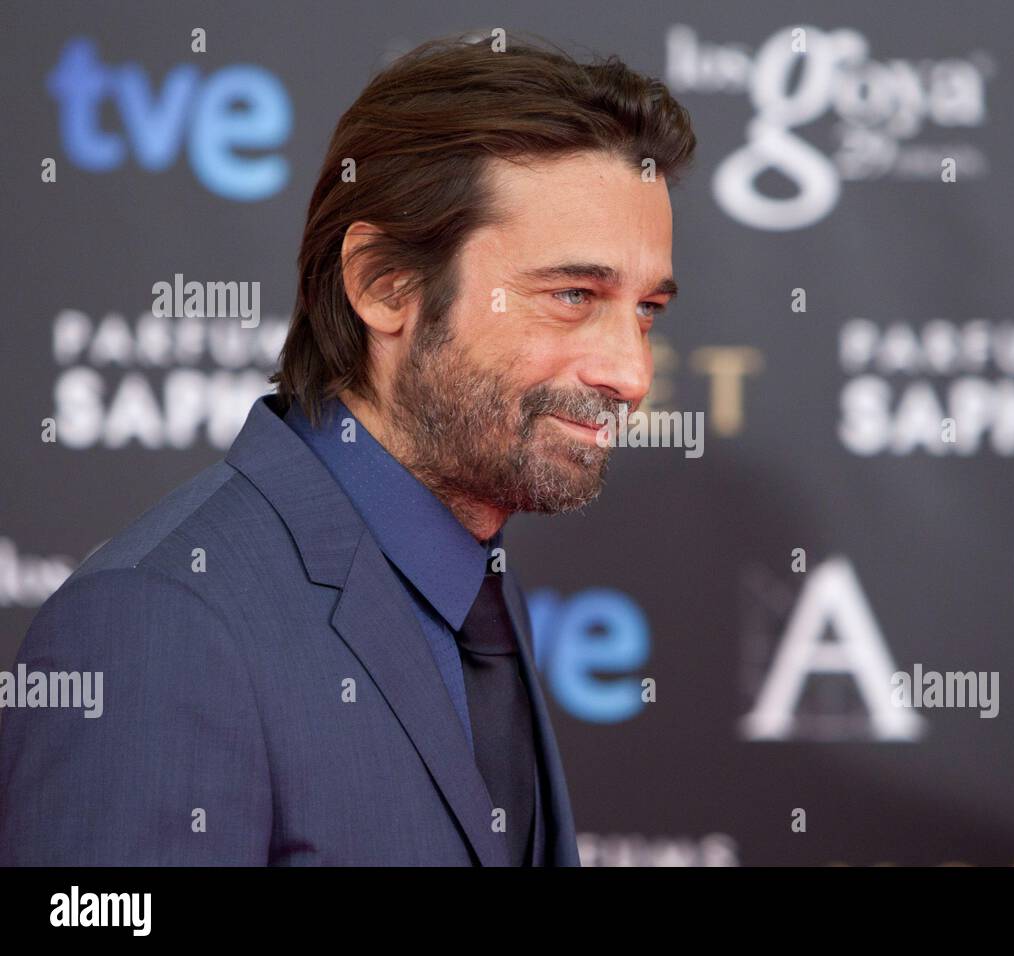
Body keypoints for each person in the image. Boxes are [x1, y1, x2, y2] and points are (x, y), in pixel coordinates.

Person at [0, 34, 695, 865]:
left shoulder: (473, 585)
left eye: (647, 308)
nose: (630, 370)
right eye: (572, 295)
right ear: (382, 283)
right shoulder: (160, 625)